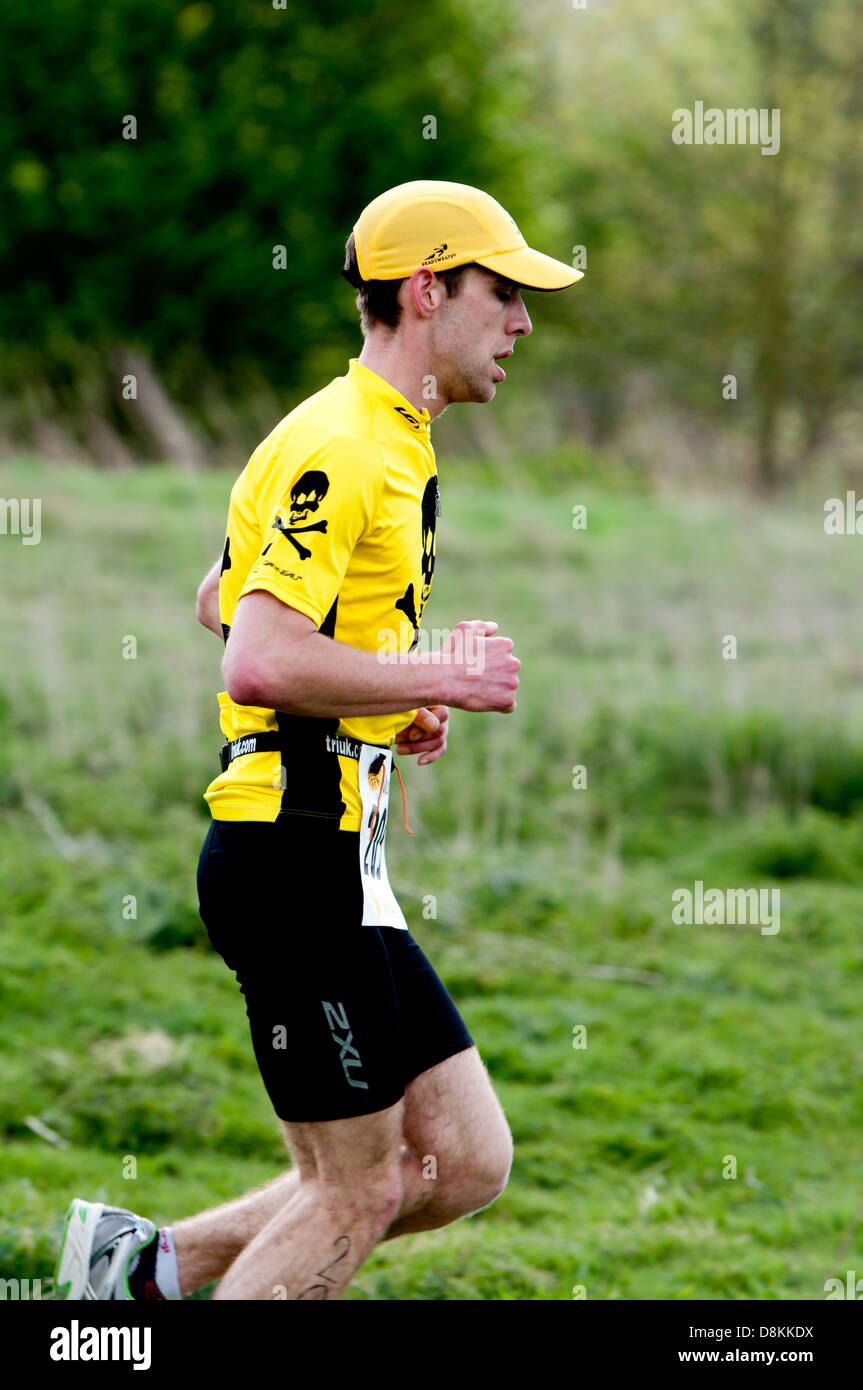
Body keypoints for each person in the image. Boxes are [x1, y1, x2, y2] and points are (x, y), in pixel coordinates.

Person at [54, 180, 582, 1301]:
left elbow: (219, 597)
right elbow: (250, 655)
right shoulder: (342, 444)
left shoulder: (389, 434)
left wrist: (382, 700)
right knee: (359, 1187)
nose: (522, 324)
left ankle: (133, 1274)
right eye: (504, 293)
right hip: (289, 854)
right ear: (427, 288)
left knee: (461, 1157)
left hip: (341, 851)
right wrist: (434, 670)